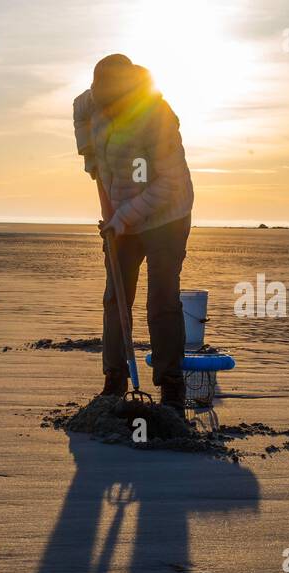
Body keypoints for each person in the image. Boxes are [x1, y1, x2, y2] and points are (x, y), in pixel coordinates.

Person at [73, 54, 194, 411]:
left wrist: (123, 217)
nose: (104, 109)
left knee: (161, 300)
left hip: (166, 217)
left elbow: (169, 184)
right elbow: (79, 112)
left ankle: (171, 385)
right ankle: (114, 381)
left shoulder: (157, 118)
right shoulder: (92, 101)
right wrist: (91, 159)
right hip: (120, 215)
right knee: (116, 298)